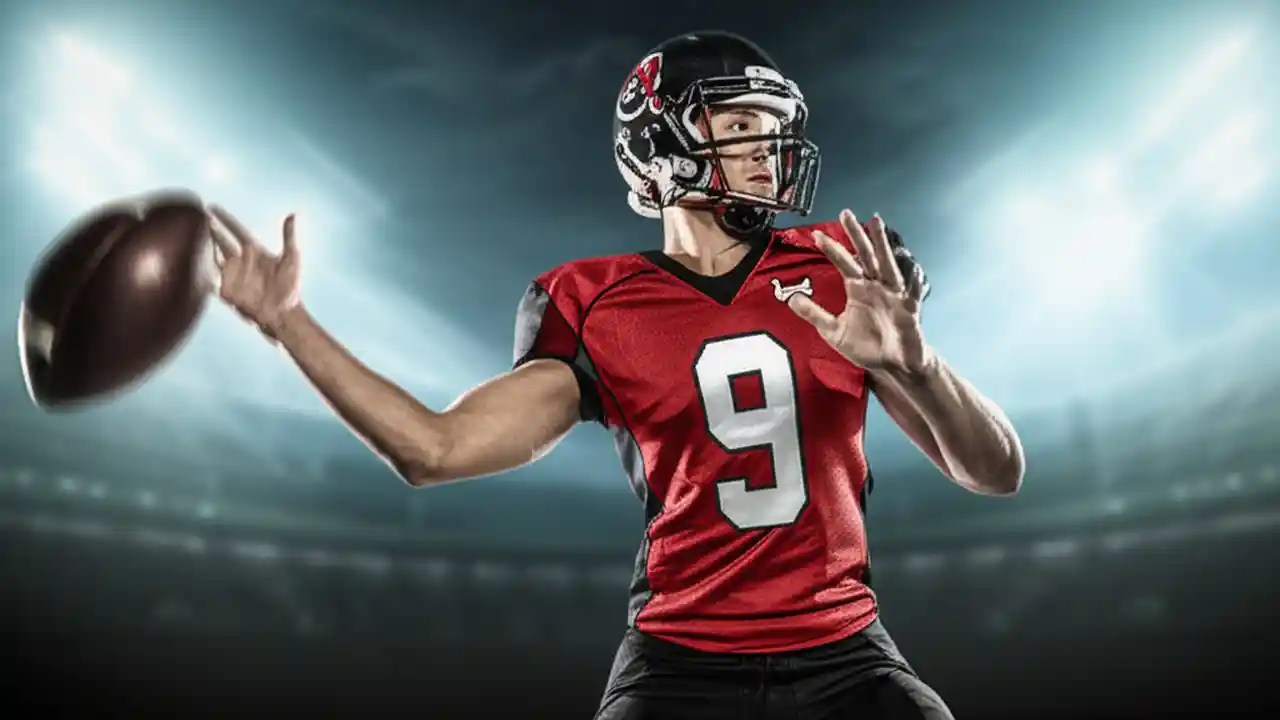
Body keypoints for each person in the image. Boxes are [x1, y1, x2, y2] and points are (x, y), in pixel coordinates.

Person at [208, 29, 1023, 720]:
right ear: (663, 141)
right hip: (680, 666)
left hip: (847, 652)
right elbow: (434, 449)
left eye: (774, 129)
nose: (769, 151)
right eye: (740, 124)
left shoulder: (840, 271)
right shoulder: (594, 303)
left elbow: (994, 471)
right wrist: (289, 324)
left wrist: (917, 367)